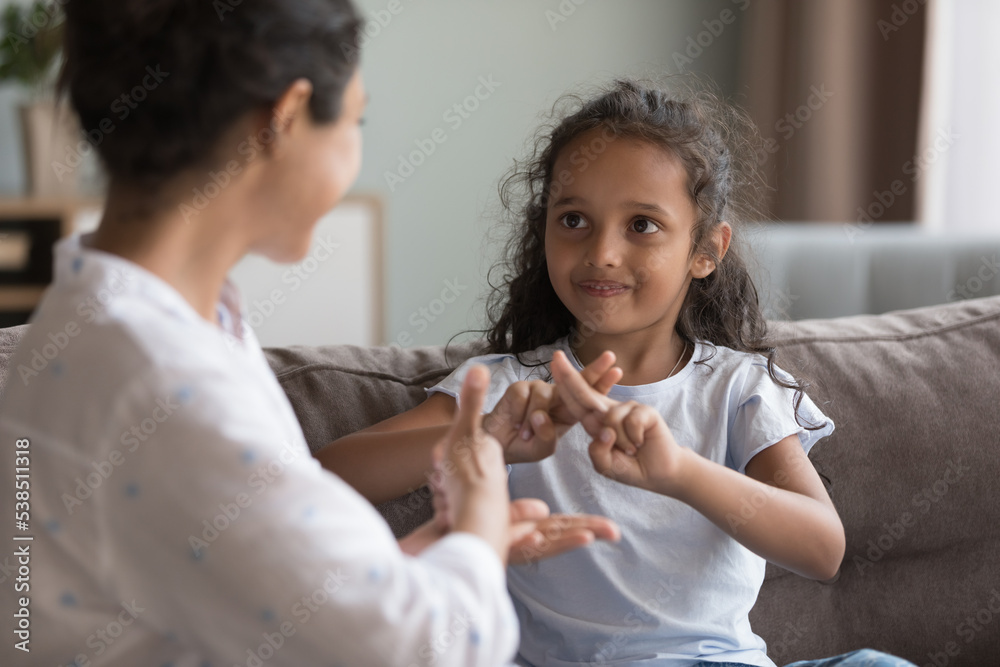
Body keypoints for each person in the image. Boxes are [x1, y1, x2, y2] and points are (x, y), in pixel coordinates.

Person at [0, 1, 620, 665]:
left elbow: (255, 602)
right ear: (285, 117)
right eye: (355, 121)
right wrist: (479, 506)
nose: (355, 151)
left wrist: (450, 550)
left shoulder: (103, 329)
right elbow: (427, 649)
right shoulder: (161, 384)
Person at [319, 80, 919, 667]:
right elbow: (329, 475)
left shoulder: (737, 388)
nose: (602, 251)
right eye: (574, 219)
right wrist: (483, 437)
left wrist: (679, 471)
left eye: (642, 225)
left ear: (706, 249)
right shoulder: (506, 388)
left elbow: (822, 548)